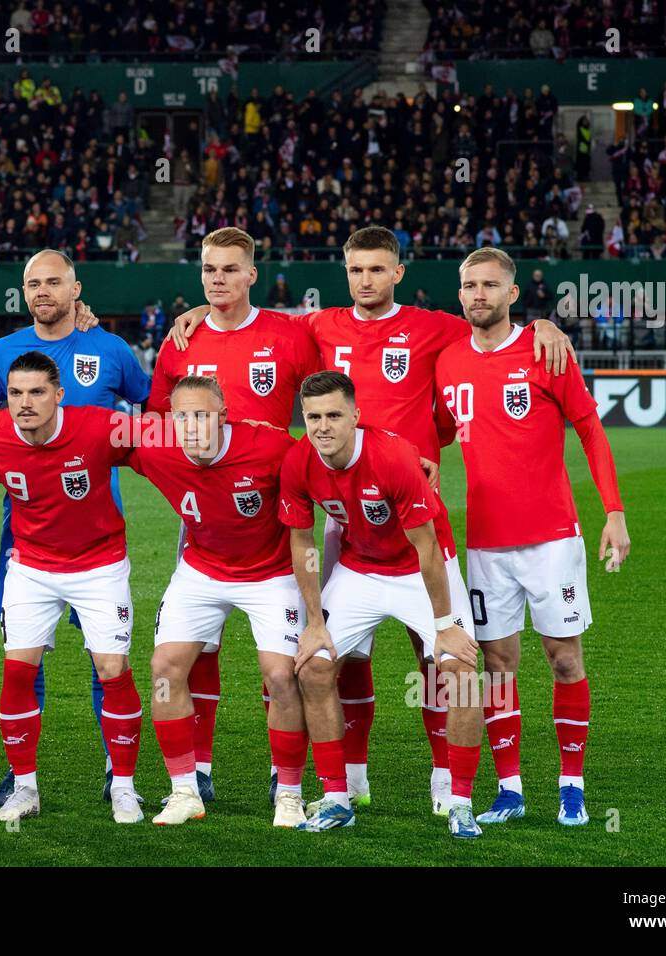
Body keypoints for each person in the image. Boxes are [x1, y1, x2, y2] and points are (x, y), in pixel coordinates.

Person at [167, 225, 574, 813]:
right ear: (346, 272)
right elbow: (251, 317)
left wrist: (541, 323)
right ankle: (346, 779)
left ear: (397, 273)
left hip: (408, 506)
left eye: (377, 269)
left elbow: (493, 327)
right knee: (336, 654)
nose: (365, 281)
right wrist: (206, 309)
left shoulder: (435, 326)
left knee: (434, 650)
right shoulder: (318, 324)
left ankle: (445, 781)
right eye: (356, 270)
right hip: (337, 514)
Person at [435, 246, 631, 828]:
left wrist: (614, 512)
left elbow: (591, 430)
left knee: (563, 658)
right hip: (485, 544)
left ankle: (571, 786)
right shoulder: (447, 362)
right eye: (469, 285)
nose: (478, 295)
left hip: (551, 538)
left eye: (490, 285)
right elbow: (436, 433)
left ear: (513, 294)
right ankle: (511, 789)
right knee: (497, 664)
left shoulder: (546, 349)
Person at [0, 249, 149, 809]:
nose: (43, 291)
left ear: (76, 289)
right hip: (26, 536)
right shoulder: (5, 353)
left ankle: (119, 777)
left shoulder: (109, 348)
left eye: (54, 282)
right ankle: (22, 780)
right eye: (33, 283)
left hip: (96, 537)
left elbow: (152, 405)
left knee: (104, 659)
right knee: (23, 657)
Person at [0, 352, 145, 824]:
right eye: (16, 393)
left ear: (59, 394)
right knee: (18, 671)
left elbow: (161, 437)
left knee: (111, 669)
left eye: (37, 392)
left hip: (100, 565)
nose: (25, 403)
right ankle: (25, 787)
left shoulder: (100, 425)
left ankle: (124, 786)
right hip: (32, 567)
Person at [147, 227, 321, 802]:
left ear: (252, 274)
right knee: (200, 646)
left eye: (229, 269)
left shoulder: (290, 334)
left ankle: (285, 776)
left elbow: (337, 380)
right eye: (208, 270)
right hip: (203, 510)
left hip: (274, 501)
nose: (217, 279)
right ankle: (197, 770)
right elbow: (153, 418)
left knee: (283, 660)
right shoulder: (181, 342)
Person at [279, 371, 483, 836]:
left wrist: (447, 626)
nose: (323, 427)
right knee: (313, 664)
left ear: (356, 415)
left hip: (419, 568)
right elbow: (302, 543)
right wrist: (314, 622)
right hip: (359, 569)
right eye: (313, 417)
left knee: (461, 672)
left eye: (334, 415)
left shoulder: (391, 456)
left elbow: (427, 547)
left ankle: (461, 802)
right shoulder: (298, 461)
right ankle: (336, 798)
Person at [126, 376, 309, 827]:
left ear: (223, 416)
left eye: (202, 415)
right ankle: (184, 789)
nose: (191, 425)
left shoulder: (270, 446)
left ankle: (289, 792)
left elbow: (326, 460)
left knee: (282, 676)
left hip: (272, 573)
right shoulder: (154, 451)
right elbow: (87, 436)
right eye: (182, 416)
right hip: (202, 571)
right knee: (165, 670)